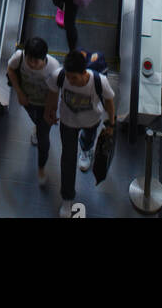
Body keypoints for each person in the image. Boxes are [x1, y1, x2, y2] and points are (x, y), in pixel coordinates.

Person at [55, 50, 115, 218]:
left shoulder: (99, 81)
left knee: (88, 139)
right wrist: (50, 110)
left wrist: (111, 124)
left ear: (84, 72)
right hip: (67, 123)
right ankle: (67, 199)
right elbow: (53, 92)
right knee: (67, 158)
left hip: (91, 121)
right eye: (68, 77)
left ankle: (86, 148)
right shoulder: (61, 76)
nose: (70, 81)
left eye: (74, 78)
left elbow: (110, 101)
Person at [6, 37, 61, 186]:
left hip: (44, 104)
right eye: (29, 59)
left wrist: (50, 112)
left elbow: (54, 93)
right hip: (28, 101)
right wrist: (19, 92)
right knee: (35, 120)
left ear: (44, 59)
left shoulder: (54, 68)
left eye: (36, 62)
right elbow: (10, 69)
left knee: (43, 138)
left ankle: (41, 168)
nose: (31, 64)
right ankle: (37, 125)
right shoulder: (20, 57)